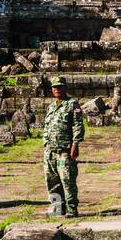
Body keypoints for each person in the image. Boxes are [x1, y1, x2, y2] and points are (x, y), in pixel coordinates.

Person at [42, 76, 84, 218]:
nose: (57, 89)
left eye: (60, 86)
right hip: (50, 151)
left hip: (65, 150)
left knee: (67, 180)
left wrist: (75, 143)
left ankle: (72, 209)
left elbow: (77, 125)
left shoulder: (72, 104)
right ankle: (57, 208)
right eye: (54, 87)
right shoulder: (52, 106)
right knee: (52, 181)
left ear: (65, 88)